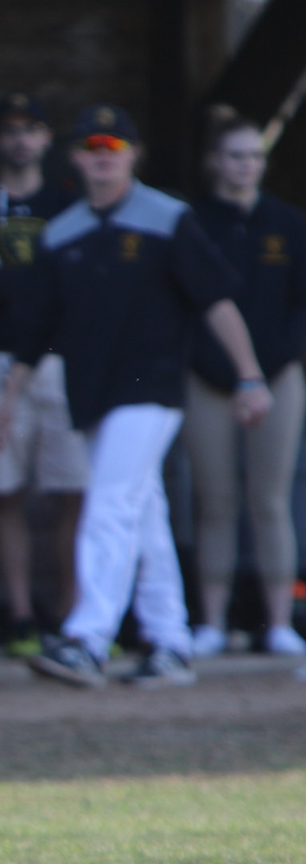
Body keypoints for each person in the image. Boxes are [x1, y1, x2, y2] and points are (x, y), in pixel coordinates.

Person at [0, 105, 271, 689]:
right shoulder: (63, 232)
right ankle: (170, 642)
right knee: (141, 515)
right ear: (75, 156)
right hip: (94, 391)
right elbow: (37, 328)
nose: (104, 154)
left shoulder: (167, 217)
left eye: (115, 145)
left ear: (133, 155)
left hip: (152, 388)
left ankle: (89, 638)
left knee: (109, 504)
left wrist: (249, 376)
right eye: (93, 145)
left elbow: (216, 300)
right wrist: (8, 401)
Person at [0, 93, 85, 656]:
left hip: (57, 361)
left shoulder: (65, 203)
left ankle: (73, 614)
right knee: (5, 487)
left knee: (72, 488)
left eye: (32, 129)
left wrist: (13, 277)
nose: (21, 140)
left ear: (47, 139)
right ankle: (20, 615)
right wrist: (33, 282)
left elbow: (68, 288)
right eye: (10, 130)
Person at [184, 106, 306, 656]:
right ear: (214, 161)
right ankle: (211, 621)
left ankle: (280, 621)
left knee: (271, 499)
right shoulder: (193, 224)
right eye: (235, 156)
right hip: (209, 379)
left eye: (255, 156)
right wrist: (224, 371)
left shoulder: (288, 224)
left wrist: (273, 367)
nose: (246, 167)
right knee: (214, 498)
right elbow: (187, 305)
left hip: (278, 375)